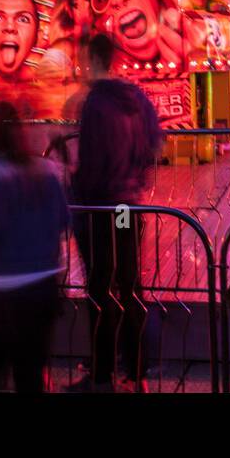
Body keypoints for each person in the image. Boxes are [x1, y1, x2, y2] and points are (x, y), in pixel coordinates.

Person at [67, 33, 162, 392]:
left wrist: (74, 190)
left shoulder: (95, 104)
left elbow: (91, 164)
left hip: (99, 209)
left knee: (100, 288)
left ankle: (102, 371)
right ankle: (136, 368)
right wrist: (135, 176)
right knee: (130, 284)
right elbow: (155, 142)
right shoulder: (135, 97)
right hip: (128, 204)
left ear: (92, 59)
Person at [0, 102, 68, 392]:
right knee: (30, 373)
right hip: (43, 286)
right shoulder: (47, 170)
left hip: (1, 290)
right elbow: (62, 220)